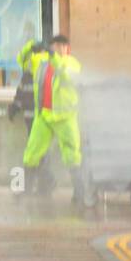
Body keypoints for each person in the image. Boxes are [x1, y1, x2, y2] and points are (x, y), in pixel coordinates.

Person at [18, 34, 85, 203]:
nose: (58, 48)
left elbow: (65, 74)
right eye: (55, 45)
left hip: (65, 117)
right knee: (32, 152)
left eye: (62, 46)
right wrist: (31, 47)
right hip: (44, 116)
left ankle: (79, 192)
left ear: (67, 49)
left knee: (72, 154)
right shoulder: (41, 61)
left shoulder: (72, 64)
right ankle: (26, 189)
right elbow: (23, 61)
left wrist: (53, 56)